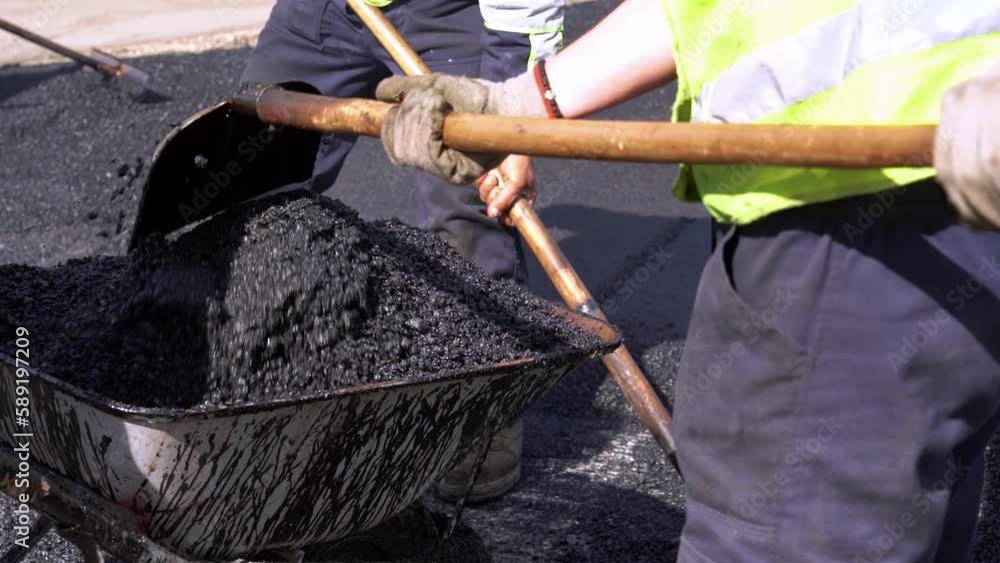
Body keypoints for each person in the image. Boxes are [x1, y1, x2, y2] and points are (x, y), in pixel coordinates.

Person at [372, 0, 1000, 560]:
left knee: (783, 528)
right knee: (909, 507)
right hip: (926, 197)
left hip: (851, 218)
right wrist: (514, 104)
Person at [239, 0, 565, 502]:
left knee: (468, 194)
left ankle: (478, 408)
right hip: (328, 10)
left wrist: (516, 124)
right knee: (246, 166)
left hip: (450, 13)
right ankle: (247, 377)